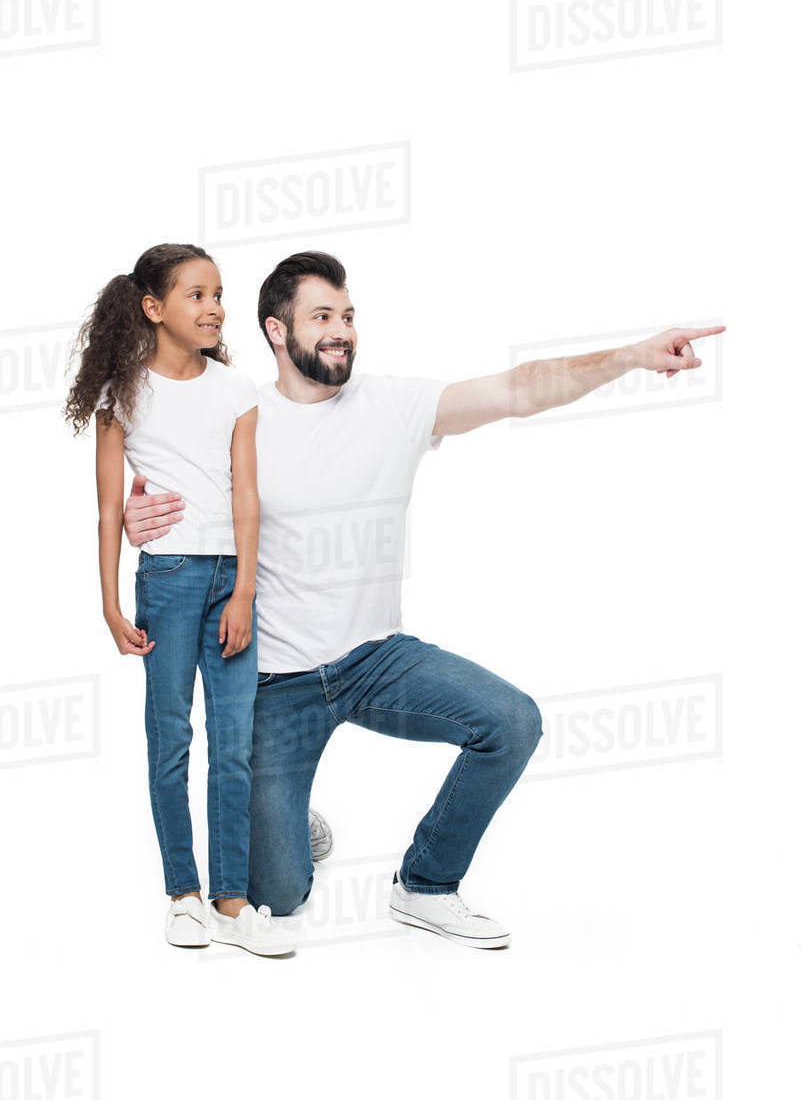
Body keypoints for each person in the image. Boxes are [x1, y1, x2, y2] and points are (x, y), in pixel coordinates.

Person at [121, 250, 725, 950]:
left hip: (378, 658)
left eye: (347, 315)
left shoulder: (395, 405)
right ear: (277, 331)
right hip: (275, 682)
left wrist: (630, 355)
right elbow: (176, 507)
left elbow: (520, 388)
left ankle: (426, 885)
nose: (341, 329)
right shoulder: (239, 414)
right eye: (322, 317)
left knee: (511, 721)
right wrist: (144, 520)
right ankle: (290, 823)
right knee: (278, 896)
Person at [64, 242, 293, 956]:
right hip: (164, 580)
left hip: (230, 579)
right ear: (153, 308)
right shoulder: (122, 393)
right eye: (196, 295)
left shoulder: (236, 389)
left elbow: (245, 495)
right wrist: (108, 605)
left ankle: (231, 901)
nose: (214, 307)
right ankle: (183, 896)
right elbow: (108, 510)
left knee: (232, 746)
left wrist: (245, 589)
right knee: (170, 739)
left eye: (219, 294)